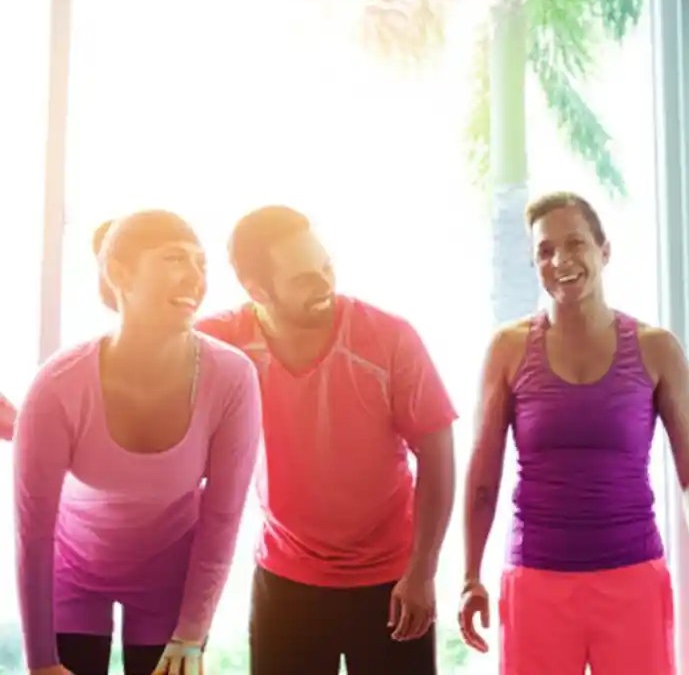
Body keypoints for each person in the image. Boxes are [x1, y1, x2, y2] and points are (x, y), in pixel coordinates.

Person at [457, 192, 689, 674]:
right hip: (536, 577)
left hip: (632, 577)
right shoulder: (507, 349)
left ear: (604, 251)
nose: (561, 260)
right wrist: (468, 576)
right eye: (545, 251)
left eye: (575, 244)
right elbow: (483, 474)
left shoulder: (657, 349)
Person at [195, 205, 457, 674]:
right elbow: (141, 360)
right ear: (257, 289)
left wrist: (422, 571)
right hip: (285, 580)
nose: (324, 285)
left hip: (392, 582)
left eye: (326, 267)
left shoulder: (389, 338)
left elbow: (437, 454)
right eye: (303, 279)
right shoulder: (221, 343)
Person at [15, 211, 262, 675]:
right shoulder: (58, 383)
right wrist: (41, 663)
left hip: (171, 580)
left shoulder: (232, 377)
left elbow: (222, 517)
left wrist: (192, 633)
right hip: (73, 574)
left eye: (201, 263)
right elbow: (33, 528)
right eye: (174, 258)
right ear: (119, 273)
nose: (195, 277)